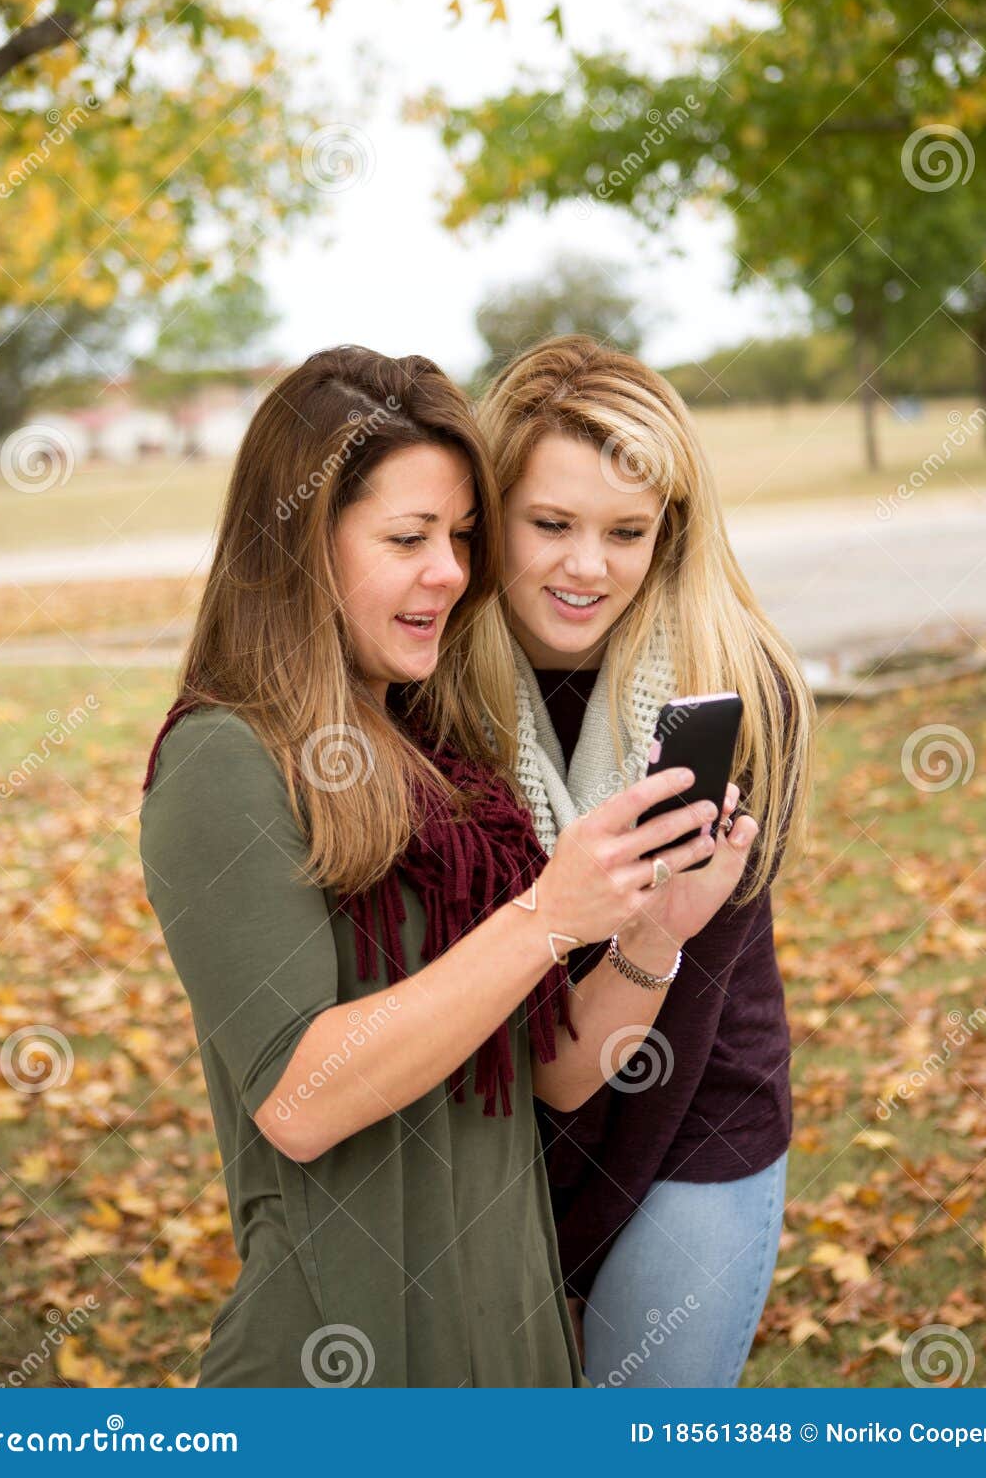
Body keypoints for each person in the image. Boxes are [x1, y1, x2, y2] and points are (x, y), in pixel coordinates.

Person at [138, 345, 760, 1387]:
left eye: (463, 537)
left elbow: (552, 1073)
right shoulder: (221, 761)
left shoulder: (440, 750)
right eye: (408, 538)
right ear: (297, 541)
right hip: (348, 1361)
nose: (452, 573)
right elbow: (300, 1100)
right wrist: (542, 918)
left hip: (510, 1349)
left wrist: (656, 931)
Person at [474, 335, 815, 1388]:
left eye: (626, 531)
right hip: (502, 1129)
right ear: (490, 517)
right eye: (549, 525)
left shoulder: (727, 683)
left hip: (691, 1112)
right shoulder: (441, 683)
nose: (588, 566)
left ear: (667, 533)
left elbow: (689, 986)